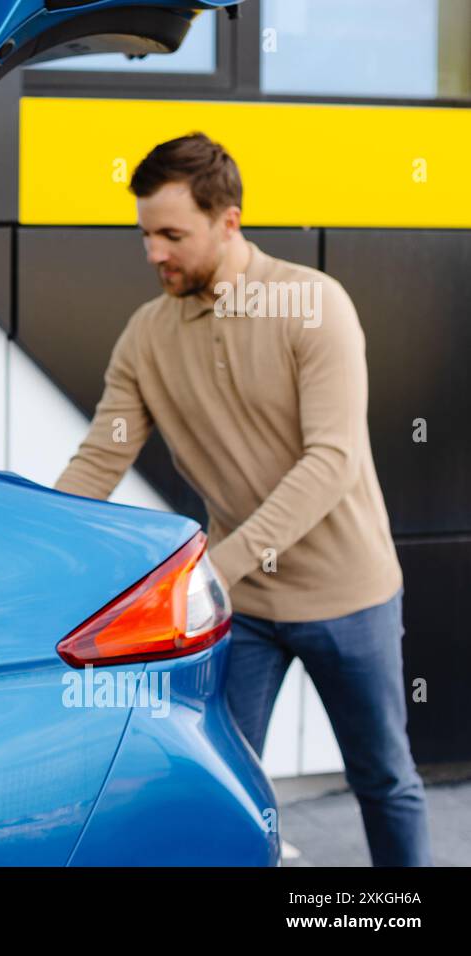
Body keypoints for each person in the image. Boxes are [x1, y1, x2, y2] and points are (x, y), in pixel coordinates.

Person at [53, 132, 432, 866]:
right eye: (145, 236)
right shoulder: (146, 335)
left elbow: (331, 461)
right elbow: (101, 458)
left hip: (349, 596)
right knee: (220, 783)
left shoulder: (314, 305)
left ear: (228, 222)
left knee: (384, 778)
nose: (154, 252)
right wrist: (39, 543)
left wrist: (212, 572)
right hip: (245, 609)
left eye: (172, 235)